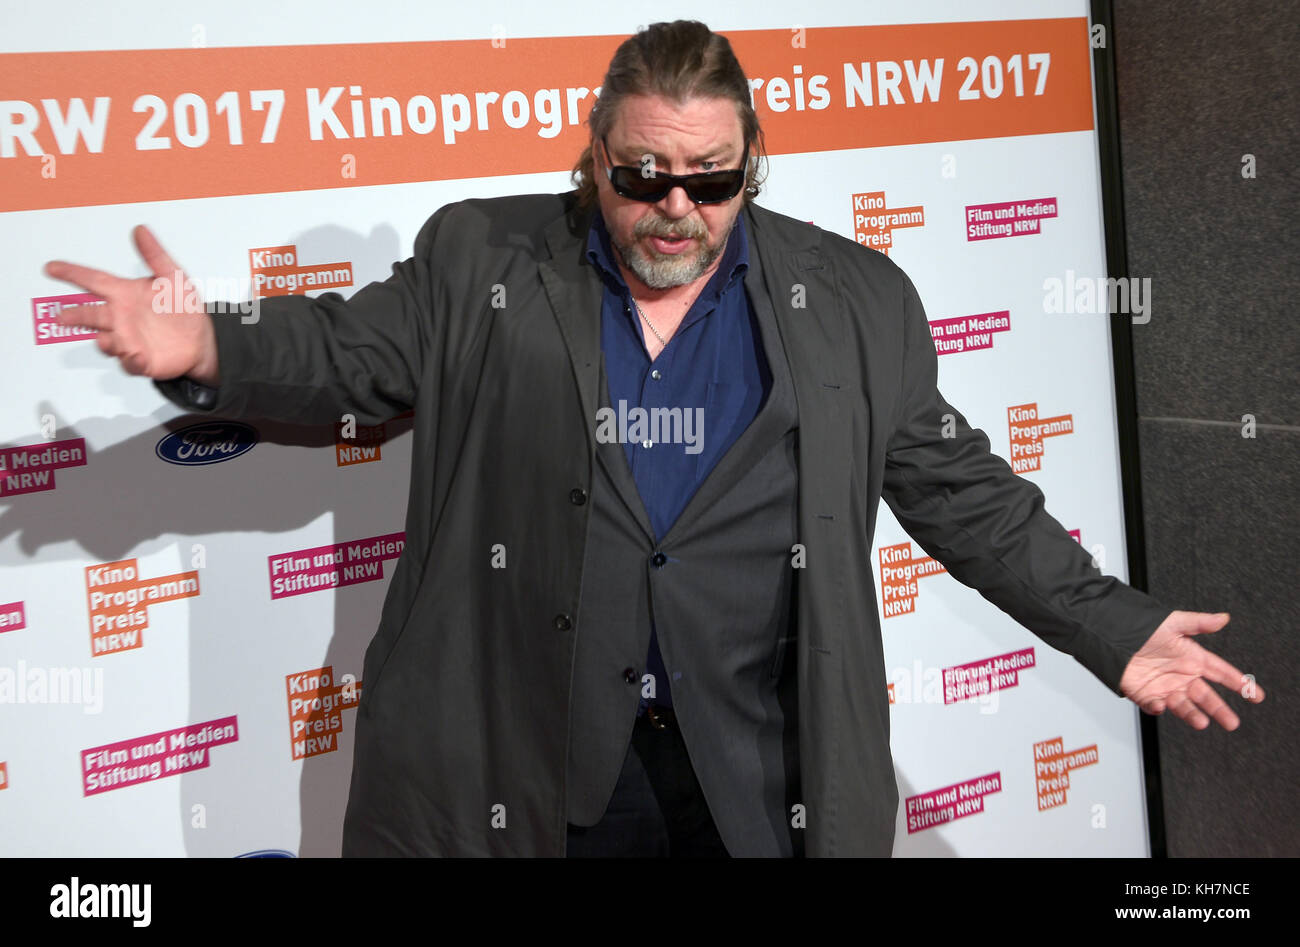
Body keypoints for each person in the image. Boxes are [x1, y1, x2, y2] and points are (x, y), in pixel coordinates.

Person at [43, 20, 1263, 857]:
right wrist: (214, 347)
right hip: (530, 767)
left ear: (750, 168)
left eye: (709, 179)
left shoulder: (853, 302)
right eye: (640, 174)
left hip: (751, 773)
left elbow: (962, 493)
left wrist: (1112, 625)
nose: (674, 205)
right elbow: (345, 352)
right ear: (592, 157)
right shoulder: (483, 261)